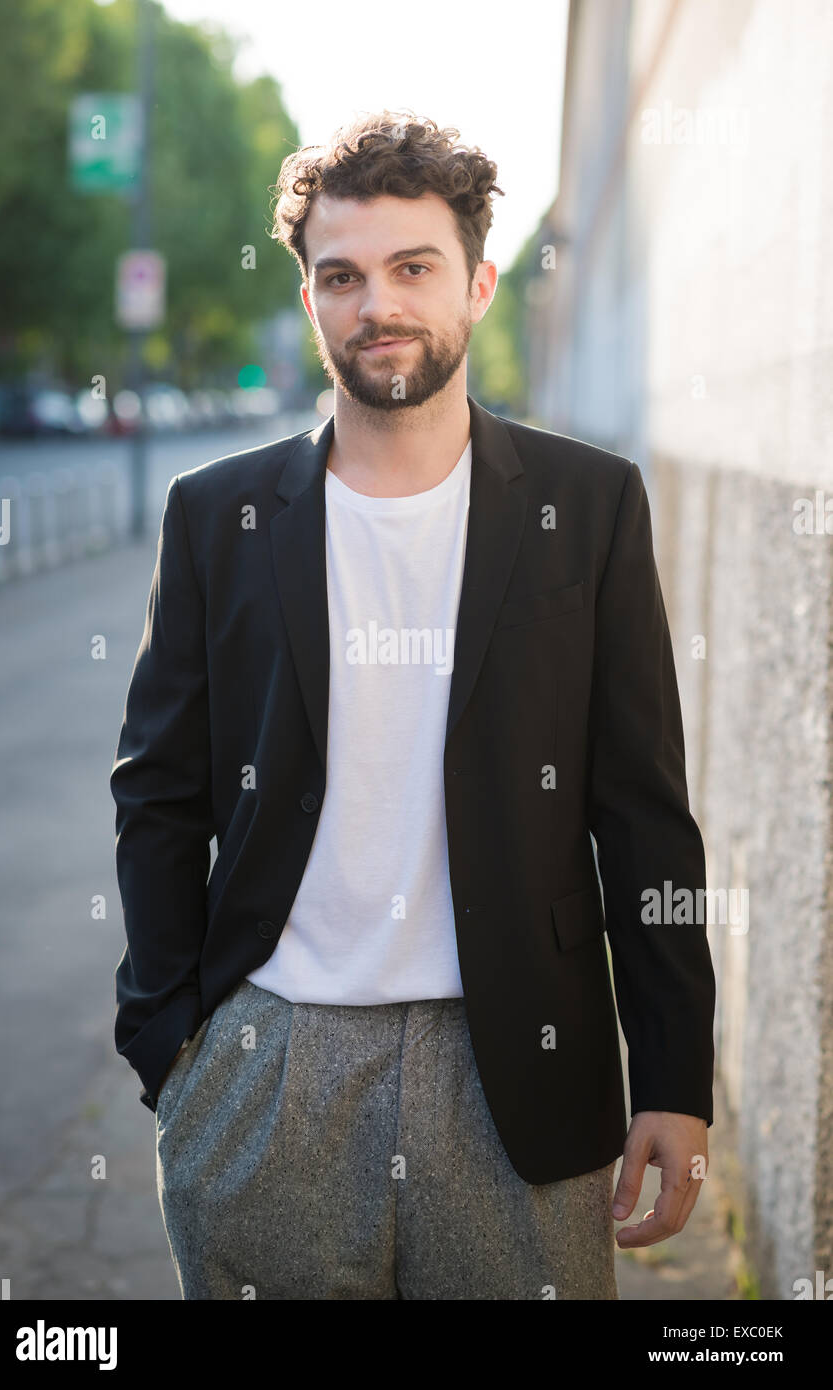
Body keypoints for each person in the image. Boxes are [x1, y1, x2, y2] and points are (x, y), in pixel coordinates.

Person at [110, 110, 716, 1301]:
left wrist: (676, 1074)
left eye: (412, 268)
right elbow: (159, 792)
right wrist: (167, 1041)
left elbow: (644, 809)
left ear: (479, 284)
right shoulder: (214, 515)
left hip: (517, 1065)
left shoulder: (586, 509)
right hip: (270, 1051)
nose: (376, 302)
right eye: (341, 276)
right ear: (311, 300)